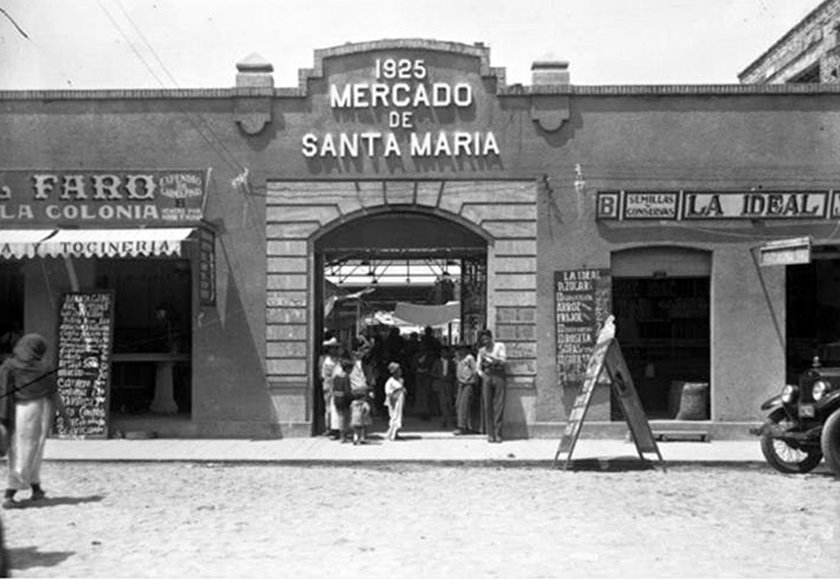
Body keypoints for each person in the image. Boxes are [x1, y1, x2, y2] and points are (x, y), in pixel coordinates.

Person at [0, 333, 70, 508]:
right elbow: (53, 393)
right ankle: (10, 492)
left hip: (18, 410)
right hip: (40, 411)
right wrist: (65, 415)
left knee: (23, 450)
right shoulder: (44, 368)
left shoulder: (9, 366)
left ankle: (36, 487)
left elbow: (3, 391)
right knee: (29, 450)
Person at [477, 329, 507, 444]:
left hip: (499, 376)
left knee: (499, 405)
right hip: (487, 376)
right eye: (483, 340)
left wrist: (490, 358)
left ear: (491, 337)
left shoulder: (499, 346)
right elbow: (478, 368)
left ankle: (498, 433)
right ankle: (490, 434)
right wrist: (482, 376)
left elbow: (503, 361)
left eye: (486, 339)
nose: (485, 341)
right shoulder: (481, 351)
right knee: (487, 406)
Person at [349, 349, 373, 445]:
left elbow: (368, 376)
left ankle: (361, 437)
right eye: (356, 354)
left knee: (364, 418)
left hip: (363, 388)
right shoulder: (353, 366)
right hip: (356, 388)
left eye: (360, 354)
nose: (358, 356)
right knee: (360, 420)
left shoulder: (364, 365)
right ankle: (358, 437)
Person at [454, 343, 478, 435]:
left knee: (464, 405)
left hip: (468, 384)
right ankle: (462, 424)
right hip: (460, 384)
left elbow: (475, 370)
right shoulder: (459, 358)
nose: (460, 351)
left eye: (462, 348)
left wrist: (470, 380)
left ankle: (462, 426)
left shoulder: (469, 358)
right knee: (458, 404)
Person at [320, 337, 340, 438]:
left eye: (335, 348)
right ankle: (329, 428)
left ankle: (337, 429)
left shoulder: (339, 360)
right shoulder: (324, 359)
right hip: (328, 386)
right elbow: (322, 374)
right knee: (328, 408)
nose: (334, 350)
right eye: (332, 348)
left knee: (337, 407)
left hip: (338, 386)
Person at [431, 346, 456, 429]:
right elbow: (433, 373)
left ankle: (449, 419)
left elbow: (454, 373)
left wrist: (449, 377)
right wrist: (440, 376)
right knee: (442, 402)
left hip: (448, 383)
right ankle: (444, 419)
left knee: (449, 401)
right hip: (440, 383)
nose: (444, 354)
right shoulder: (437, 362)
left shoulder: (451, 362)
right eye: (442, 352)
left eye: (445, 352)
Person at [331, 358, 354, 443]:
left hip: (337, 398)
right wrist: (352, 397)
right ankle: (344, 435)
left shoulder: (336, 376)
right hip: (344, 400)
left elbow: (333, 388)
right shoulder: (346, 377)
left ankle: (342, 436)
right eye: (351, 369)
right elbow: (347, 391)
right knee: (345, 417)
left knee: (340, 416)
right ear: (348, 368)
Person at [384, 361, 406, 441]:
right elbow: (388, 393)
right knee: (394, 417)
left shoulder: (401, 380)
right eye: (398, 370)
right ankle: (391, 435)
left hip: (399, 401)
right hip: (393, 401)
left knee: (398, 417)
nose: (400, 372)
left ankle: (396, 433)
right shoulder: (390, 382)